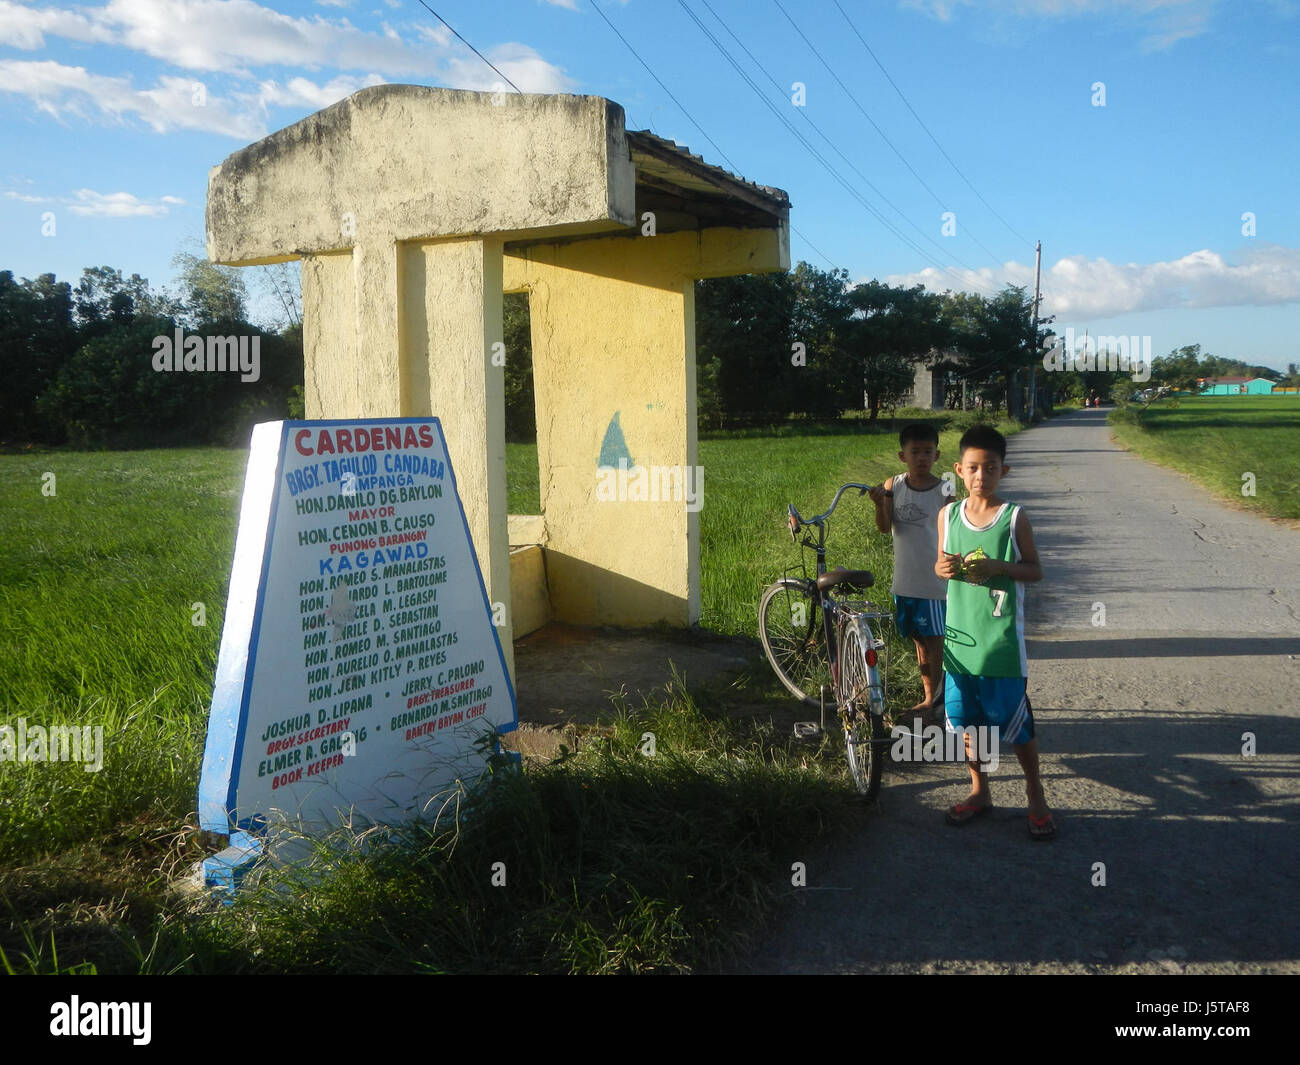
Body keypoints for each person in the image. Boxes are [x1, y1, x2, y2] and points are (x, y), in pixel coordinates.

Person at [933, 425, 1055, 840]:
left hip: (1001, 643)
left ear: (1005, 470)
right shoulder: (947, 515)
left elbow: (1035, 571)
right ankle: (980, 790)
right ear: (959, 470)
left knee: (1015, 723)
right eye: (973, 467)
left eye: (990, 467)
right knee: (968, 722)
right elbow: (939, 565)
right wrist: (943, 568)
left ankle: (1035, 794)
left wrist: (999, 568)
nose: (981, 475)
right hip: (959, 641)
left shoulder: (1014, 517)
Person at [869, 423, 948, 725]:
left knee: (935, 642)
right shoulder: (893, 485)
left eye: (928, 452)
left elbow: (953, 531)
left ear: (937, 454)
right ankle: (931, 698)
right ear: (903, 456)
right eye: (915, 452)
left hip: (933, 584)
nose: (922, 458)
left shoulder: (945, 490)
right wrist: (880, 503)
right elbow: (884, 526)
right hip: (905, 582)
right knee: (919, 642)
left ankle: (936, 704)